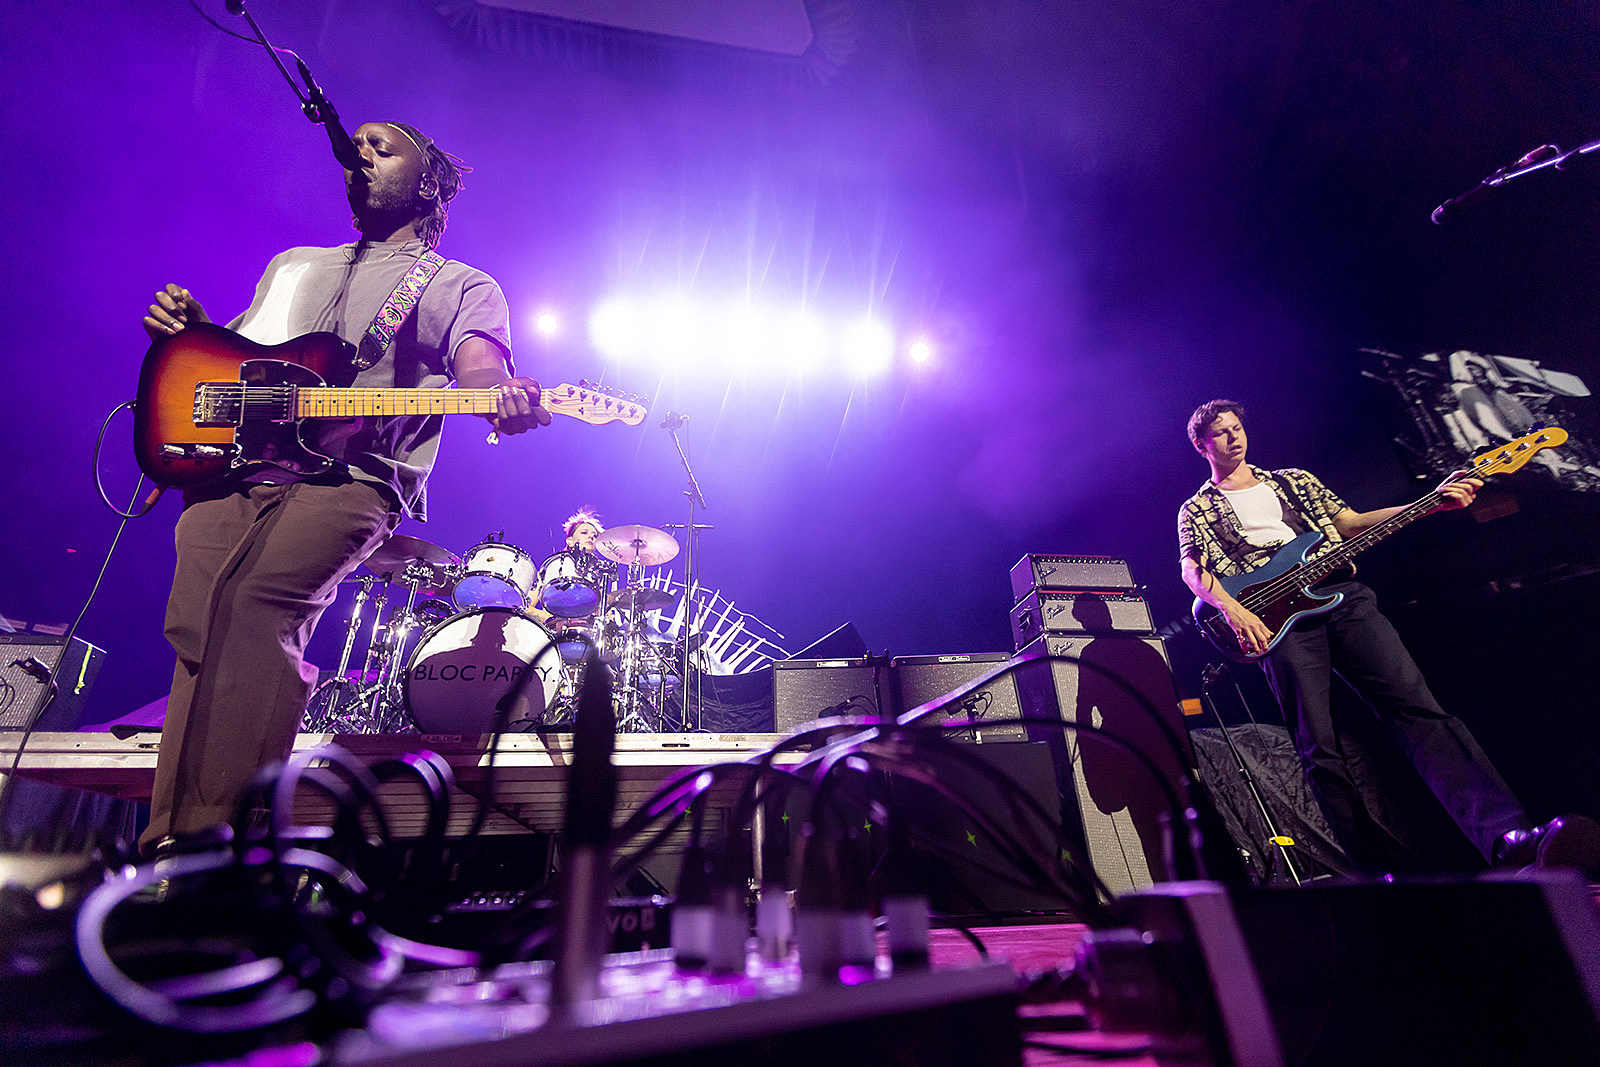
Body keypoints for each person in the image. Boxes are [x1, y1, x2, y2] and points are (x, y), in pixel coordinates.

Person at [137, 121, 550, 853]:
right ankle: (167, 847)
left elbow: (481, 366)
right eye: (356, 144)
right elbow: (244, 355)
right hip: (237, 467)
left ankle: (228, 850)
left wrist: (501, 391)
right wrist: (195, 333)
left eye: (382, 146)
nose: (360, 151)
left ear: (429, 182)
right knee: (200, 623)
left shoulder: (459, 283)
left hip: (352, 476)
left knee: (260, 603)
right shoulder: (292, 264)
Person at [1176, 398, 1580, 874]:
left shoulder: (1293, 480)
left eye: (1238, 427)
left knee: (1417, 707)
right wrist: (1233, 608)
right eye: (1222, 433)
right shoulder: (1198, 508)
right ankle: (1376, 873)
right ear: (1202, 445)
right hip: (1277, 624)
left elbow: (1346, 523)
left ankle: (1506, 838)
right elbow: (1193, 571)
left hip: (1343, 597)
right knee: (1319, 747)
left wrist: (1423, 508)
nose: (1235, 437)